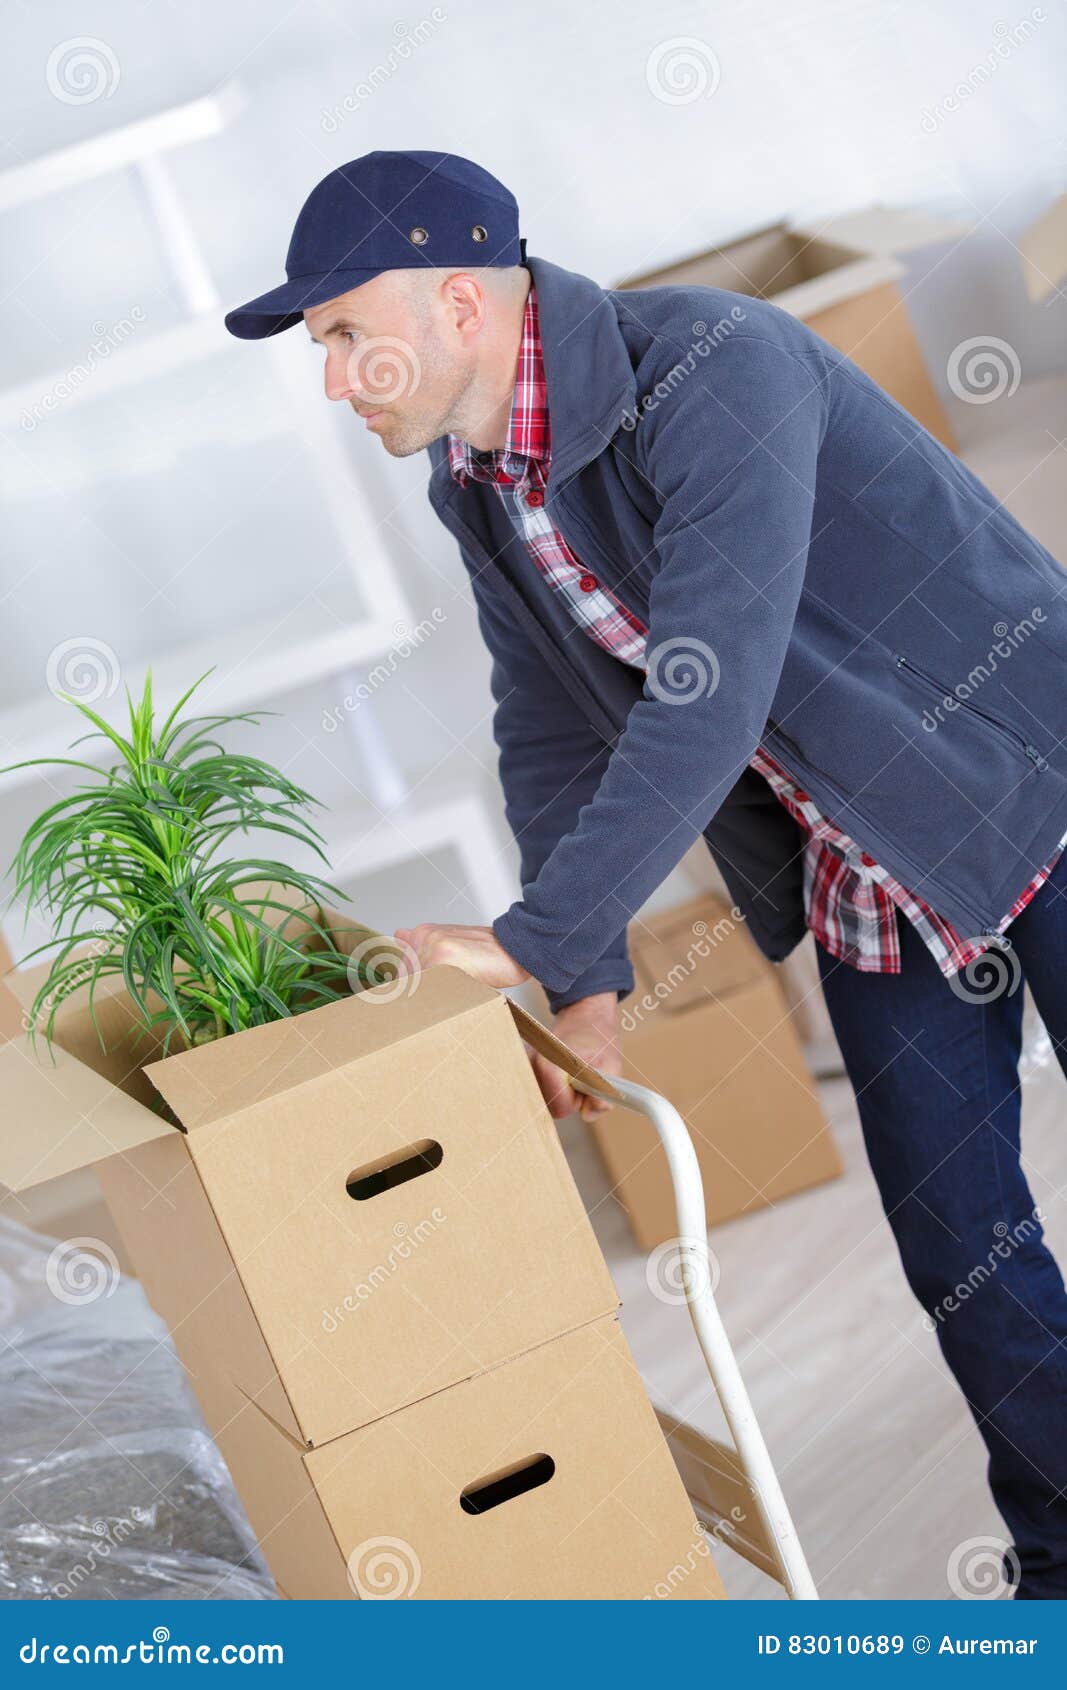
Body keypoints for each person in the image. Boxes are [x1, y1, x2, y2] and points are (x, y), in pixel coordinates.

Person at [226, 150, 1067, 1598]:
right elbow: (547, 727)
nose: (336, 379)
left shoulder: (717, 367)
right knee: (958, 1239)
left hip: (1024, 781)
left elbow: (710, 688)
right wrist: (583, 978)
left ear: (460, 302)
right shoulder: (477, 486)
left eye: (351, 336)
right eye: (323, 350)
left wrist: (524, 934)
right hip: (868, 866)